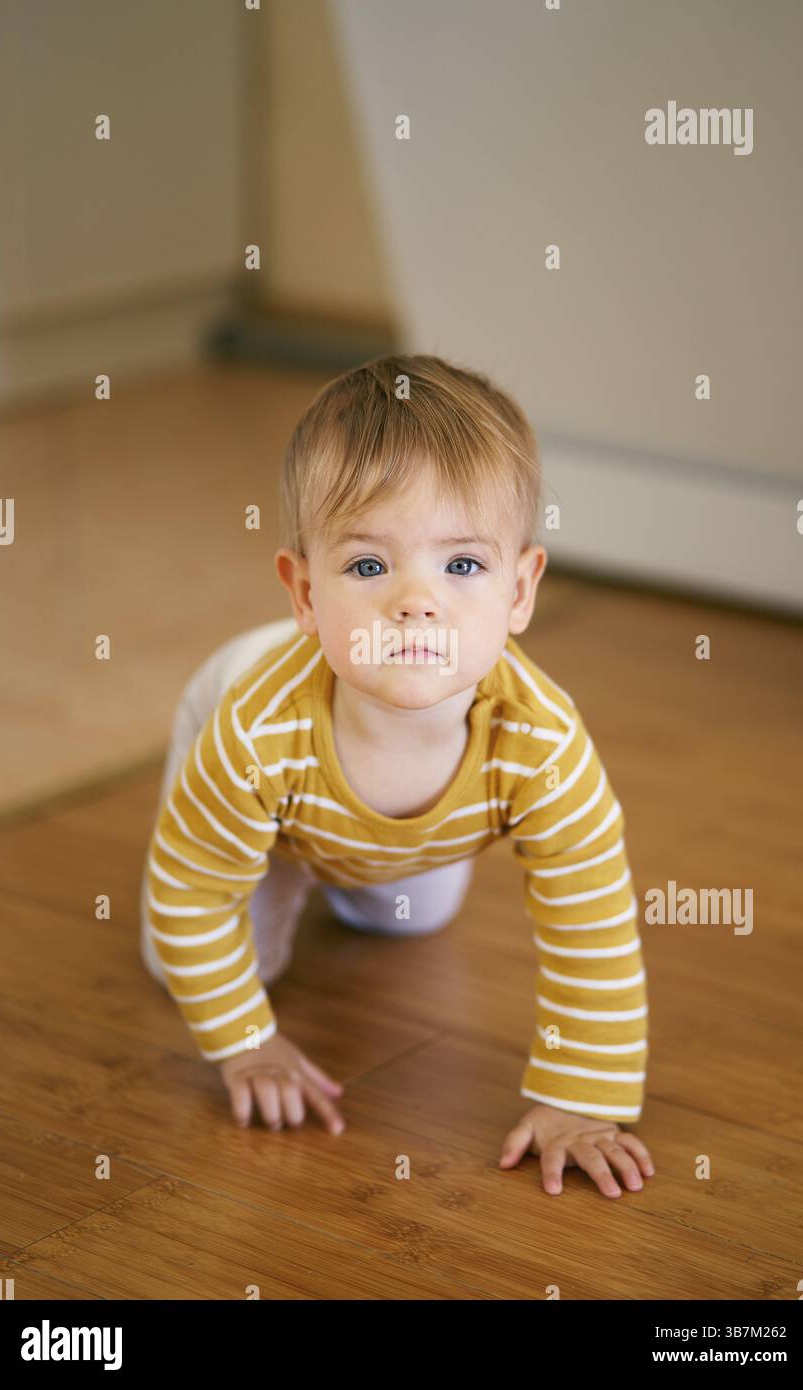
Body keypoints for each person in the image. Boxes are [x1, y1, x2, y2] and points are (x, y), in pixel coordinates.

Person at [139, 353, 654, 1199]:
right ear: (304, 593)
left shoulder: (543, 743)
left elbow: (589, 918)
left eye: (461, 566)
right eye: (369, 567)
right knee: (190, 958)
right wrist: (246, 1042)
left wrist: (579, 1100)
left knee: (411, 919)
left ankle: (339, 863)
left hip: (393, 829)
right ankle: (284, 861)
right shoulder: (249, 733)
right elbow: (191, 892)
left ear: (520, 590)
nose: (416, 602)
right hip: (264, 772)